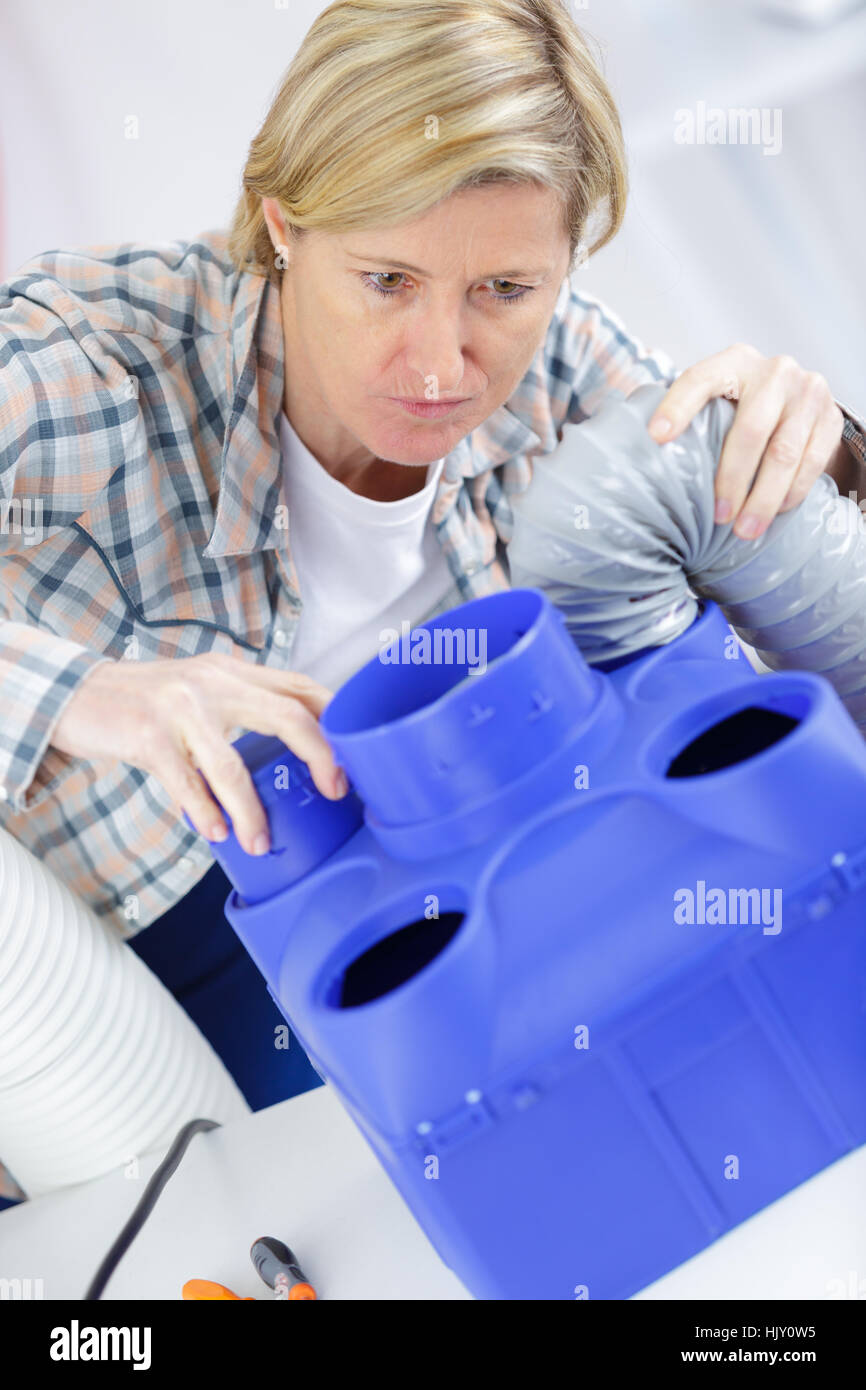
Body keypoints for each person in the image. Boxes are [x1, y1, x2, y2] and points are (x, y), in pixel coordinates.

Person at [1, 0, 864, 1201]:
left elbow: (788, 553)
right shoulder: (85, 367)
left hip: (444, 906)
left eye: (503, 287)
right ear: (281, 224)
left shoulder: (564, 367)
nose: (439, 362)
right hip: (133, 977)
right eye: (386, 278)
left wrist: (818, 448)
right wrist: (85, 693)